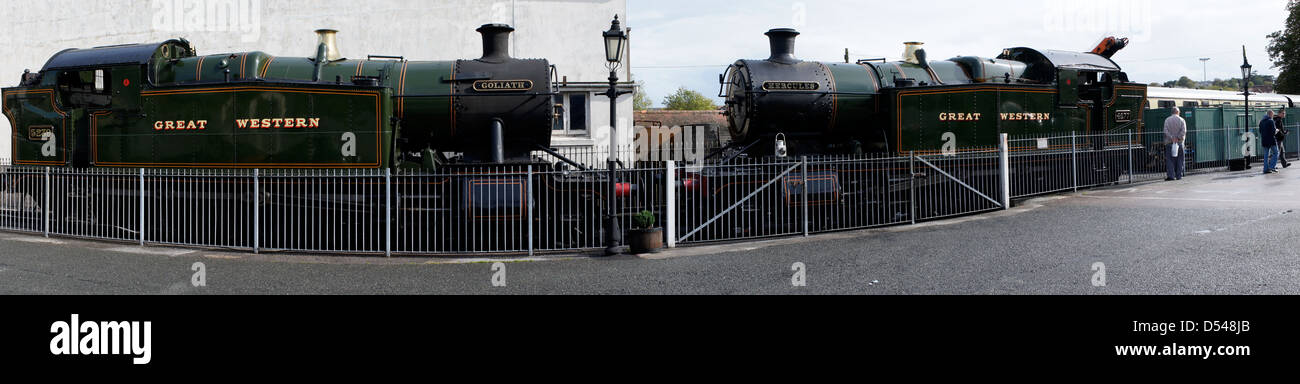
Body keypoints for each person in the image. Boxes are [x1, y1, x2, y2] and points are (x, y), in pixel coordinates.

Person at [1163, 107, 1187, 181]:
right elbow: (1184, 131)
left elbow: (1165, 131)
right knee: (1180, 159)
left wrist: (1171, 138)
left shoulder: (1167, 120)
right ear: (1177, 112)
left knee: (1170, 160)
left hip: (1169, 142)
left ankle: (1171, 176)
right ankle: (1179, 175)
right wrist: (1178, 138)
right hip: (1179, 143)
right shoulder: (1182, 120)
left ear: (1172, 112)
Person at [1261, 110, 1279, 174]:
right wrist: (1276, 130)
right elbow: (1273, 132)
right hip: (1271, 140)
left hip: (1264, 140)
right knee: (1276, 153)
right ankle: (1272, 167)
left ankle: (1265, 169)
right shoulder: (1271, 121)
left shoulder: (1261, 121)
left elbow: (1260, 131)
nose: (1273, 116)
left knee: (1266, 155)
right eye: (1272, 115)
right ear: (1270, 114)